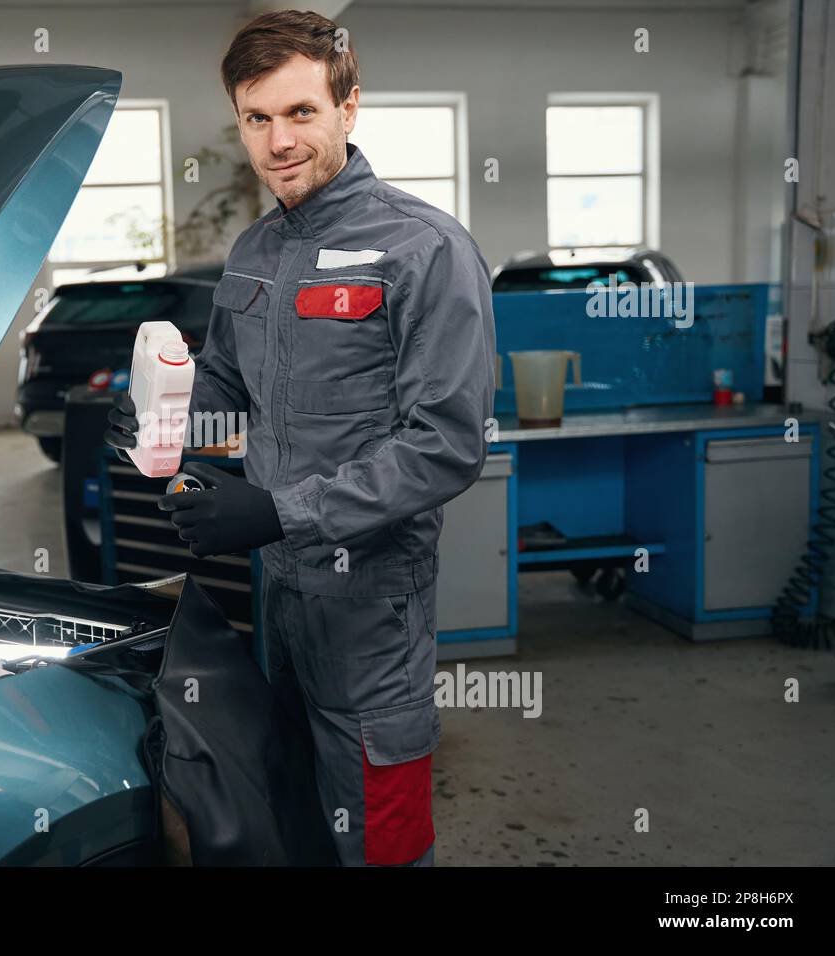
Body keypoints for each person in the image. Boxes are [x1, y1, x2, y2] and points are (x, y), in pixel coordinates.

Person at [105, 9, 496, 866]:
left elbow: (446, 443)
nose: (278, 141)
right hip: (275, 596)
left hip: (373, 607)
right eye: (257, 117)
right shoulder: (254, 252)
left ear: (349, 107)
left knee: (380, 835)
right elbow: (228, 386)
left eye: (301, 112)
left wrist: (282, 511)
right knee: (295, 819)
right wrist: (153, 409)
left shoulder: (424, 249)